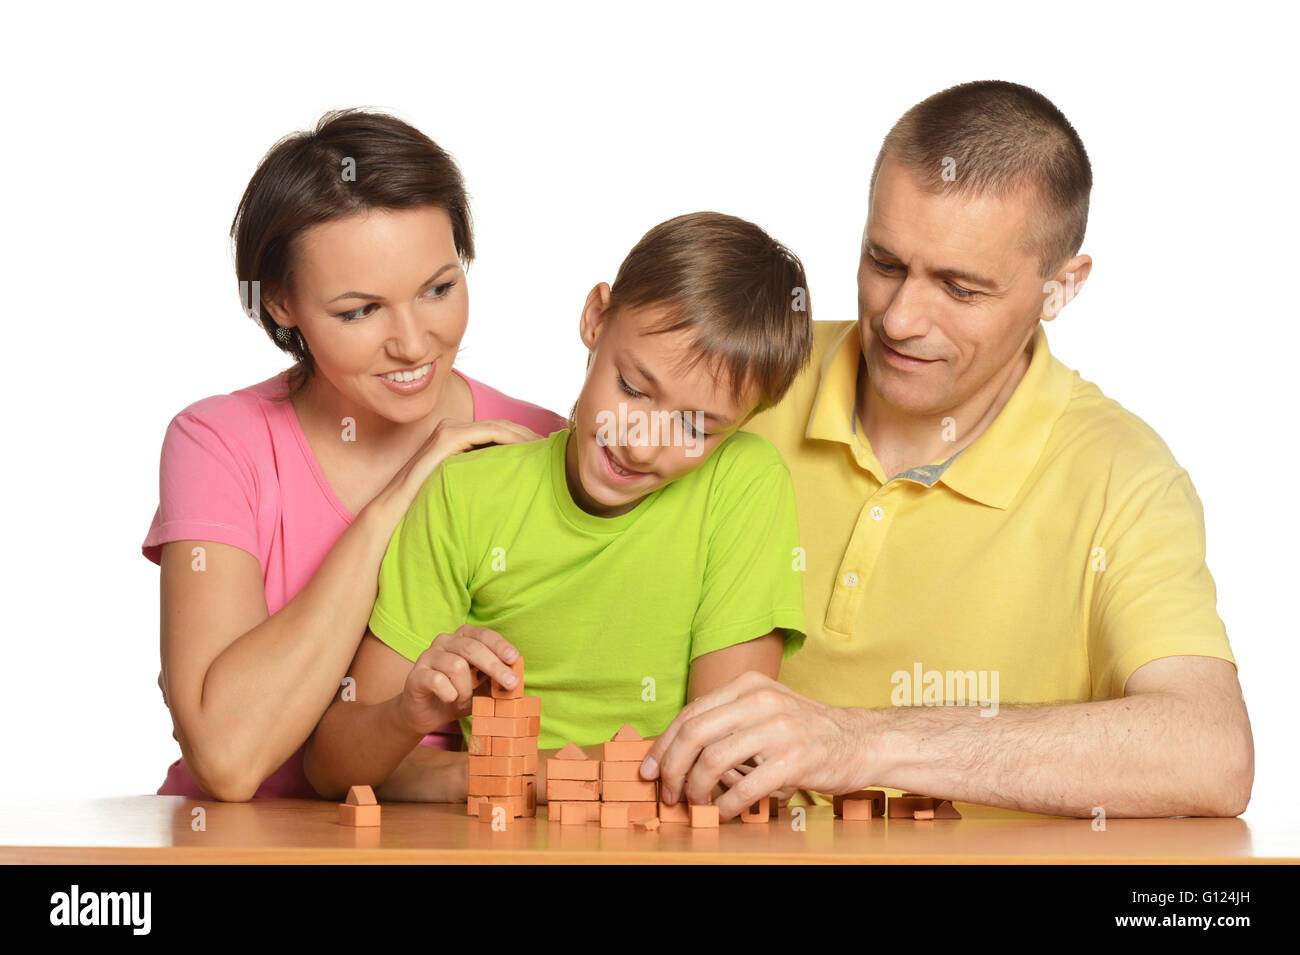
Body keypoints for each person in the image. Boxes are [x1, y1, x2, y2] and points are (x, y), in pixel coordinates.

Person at [642, 80, 1254, 819]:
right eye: (885, 262)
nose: (900, 320)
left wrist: (859, 742)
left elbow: (1210, 751)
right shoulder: (757, 373)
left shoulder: (1125, 477)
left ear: (1061, 287)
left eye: (960, 289)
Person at [304, 211, 812, 801]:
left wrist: (479, 777)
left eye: (695, 428)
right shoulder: (467, 494)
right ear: (596, 318)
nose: (639, 443)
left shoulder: (744, 483)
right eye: (631, 388)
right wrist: (405, 717)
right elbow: (331, 766)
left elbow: (721, 763)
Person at [141, 108, 567, 802]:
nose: (412, 342)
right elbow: (228, 757)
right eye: (358, 311)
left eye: (438, 288)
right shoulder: (216, 443)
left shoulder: (545, 442)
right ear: (281, 302)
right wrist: (403, 493)